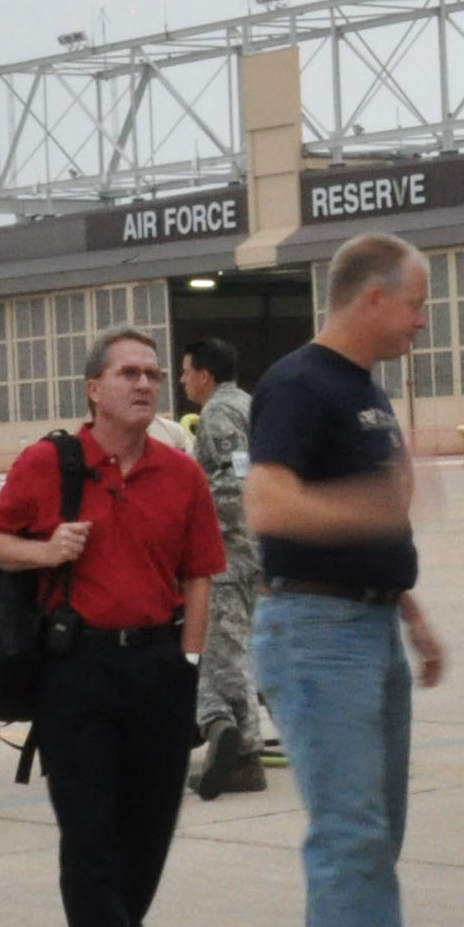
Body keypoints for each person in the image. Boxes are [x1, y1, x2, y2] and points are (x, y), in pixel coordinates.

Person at [244, 234, 456, 927]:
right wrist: (371, 507)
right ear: (372, 298)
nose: (421, 322)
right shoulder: (299, 385)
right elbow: (269, 503)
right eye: (415, 304)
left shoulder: (365, 390)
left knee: (365, 840)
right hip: (315, 632)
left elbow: (374, 525)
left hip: (366, 625)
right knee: (352, 841)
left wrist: (410, 610)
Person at [0, 327, 227, 927]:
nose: (144, 384)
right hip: (76, 668)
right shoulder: (49, 464)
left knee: (150, 828)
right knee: (89, 832)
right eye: (128, 373)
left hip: (158, 664)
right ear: (94, 390)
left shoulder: (182, 475)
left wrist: (189, 663)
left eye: (152, 374)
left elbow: (200, 575)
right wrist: (45, 551)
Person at [179, 341, 270, 799]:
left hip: (228, 555)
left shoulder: (218, 413)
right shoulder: (246, 404)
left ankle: (243, 755)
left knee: (223, 654)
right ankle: (229, 736)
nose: (182, 380)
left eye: (186, 371)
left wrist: (192, 525)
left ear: (205, 374)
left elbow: (236, 483)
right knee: (232, 653)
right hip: (252, 551)